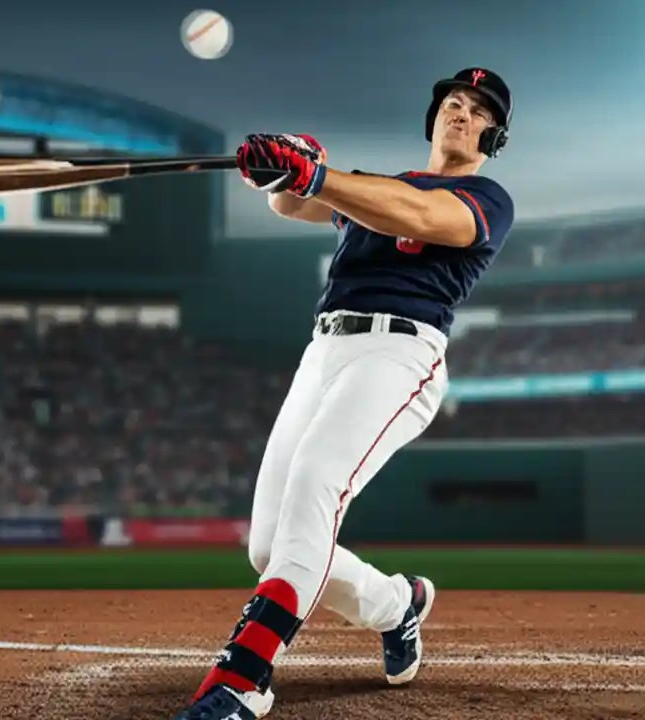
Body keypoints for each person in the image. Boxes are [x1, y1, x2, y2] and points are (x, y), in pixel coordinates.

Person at [173, 67, 516, 720]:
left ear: (495, 134)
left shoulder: (487, 197)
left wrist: (314, 172)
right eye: (453, 101)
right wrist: (280, 165)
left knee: (315, 487)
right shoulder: (374, 188)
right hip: (324, 349)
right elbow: (294, 202)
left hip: (400, 351)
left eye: (478, 109)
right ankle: (398, 604)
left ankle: (242, 680)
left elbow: (417, 213)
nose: (462, 113)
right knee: (269, 547)